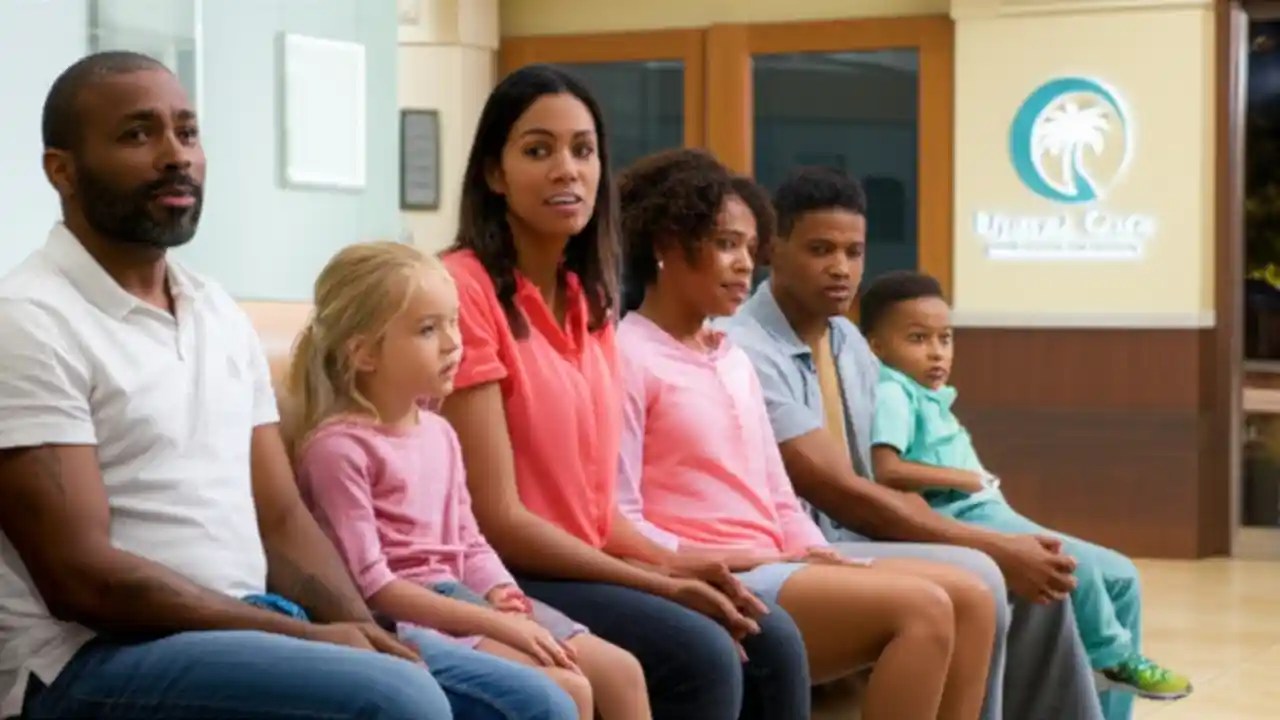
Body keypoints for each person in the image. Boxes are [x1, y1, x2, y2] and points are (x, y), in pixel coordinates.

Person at [0, 51, 575, 720]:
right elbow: (80, 578)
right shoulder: (30, 321)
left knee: (536, 704)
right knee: (399, 702)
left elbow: (281, 518)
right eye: (137, 134)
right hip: (92, 658)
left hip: (250, 625)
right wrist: (305, 636)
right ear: (60, 169)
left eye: (187, 132)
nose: (175, 155)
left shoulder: (214, 310)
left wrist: (366, 630)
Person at [439, 63, 811, 720]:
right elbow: (500, 518)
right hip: (505, 569)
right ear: (494, 174)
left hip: (582, 559)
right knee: (701, 650)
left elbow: (597, 510)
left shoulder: (589, 304)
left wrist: (679, 563)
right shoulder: (464, 289)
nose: (567, 169)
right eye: (538, 150)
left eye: (583, 150)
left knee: (770, 635)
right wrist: (655, 580)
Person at [614, 148, 995, 720]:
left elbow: (776, 493)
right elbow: (619, 515)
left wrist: (814, 551)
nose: (745, 263)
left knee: (973, 597)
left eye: (748, 247)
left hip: (776, 559)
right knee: (923, 610)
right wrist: (704, 561)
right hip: (719, 573)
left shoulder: (731, 356)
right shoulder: (627, 354)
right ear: (666, 247)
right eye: (724, 244)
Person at [721, 166, 1111, 720]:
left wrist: (984, 536)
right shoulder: (744, 347)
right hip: (803, 546)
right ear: (772, 249)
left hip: (857, 534)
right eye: (820, 249)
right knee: (986, 573)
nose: (841, 268)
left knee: (1039, 582)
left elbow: (876, 479)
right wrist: (989, 547)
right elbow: (841, 493)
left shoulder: (849, 339)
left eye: (854, 252)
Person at [291, 240, 652, 720]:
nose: (451, 343)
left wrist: (502, 592)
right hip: (407, 619)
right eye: (426, 329)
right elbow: (373, 584)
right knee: (567, 689)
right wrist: (492, 622)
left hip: (466, 597)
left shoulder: (439, 431)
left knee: (622, 671)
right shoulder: (337, 450)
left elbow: (469, 540)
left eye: (452, 322)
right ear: (364, 354)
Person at [859, 270, 1192, 702]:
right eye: (918, 339)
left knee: (1122, 576)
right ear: (876, 346)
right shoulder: (894, 391)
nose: (937, 353)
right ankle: (1113, 657)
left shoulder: (927, 394)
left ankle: (1113, 690)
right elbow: (886, 468)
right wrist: (967, 479)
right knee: (1072, 566)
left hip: (989, 508)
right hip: (961, 515)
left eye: (945, 338)